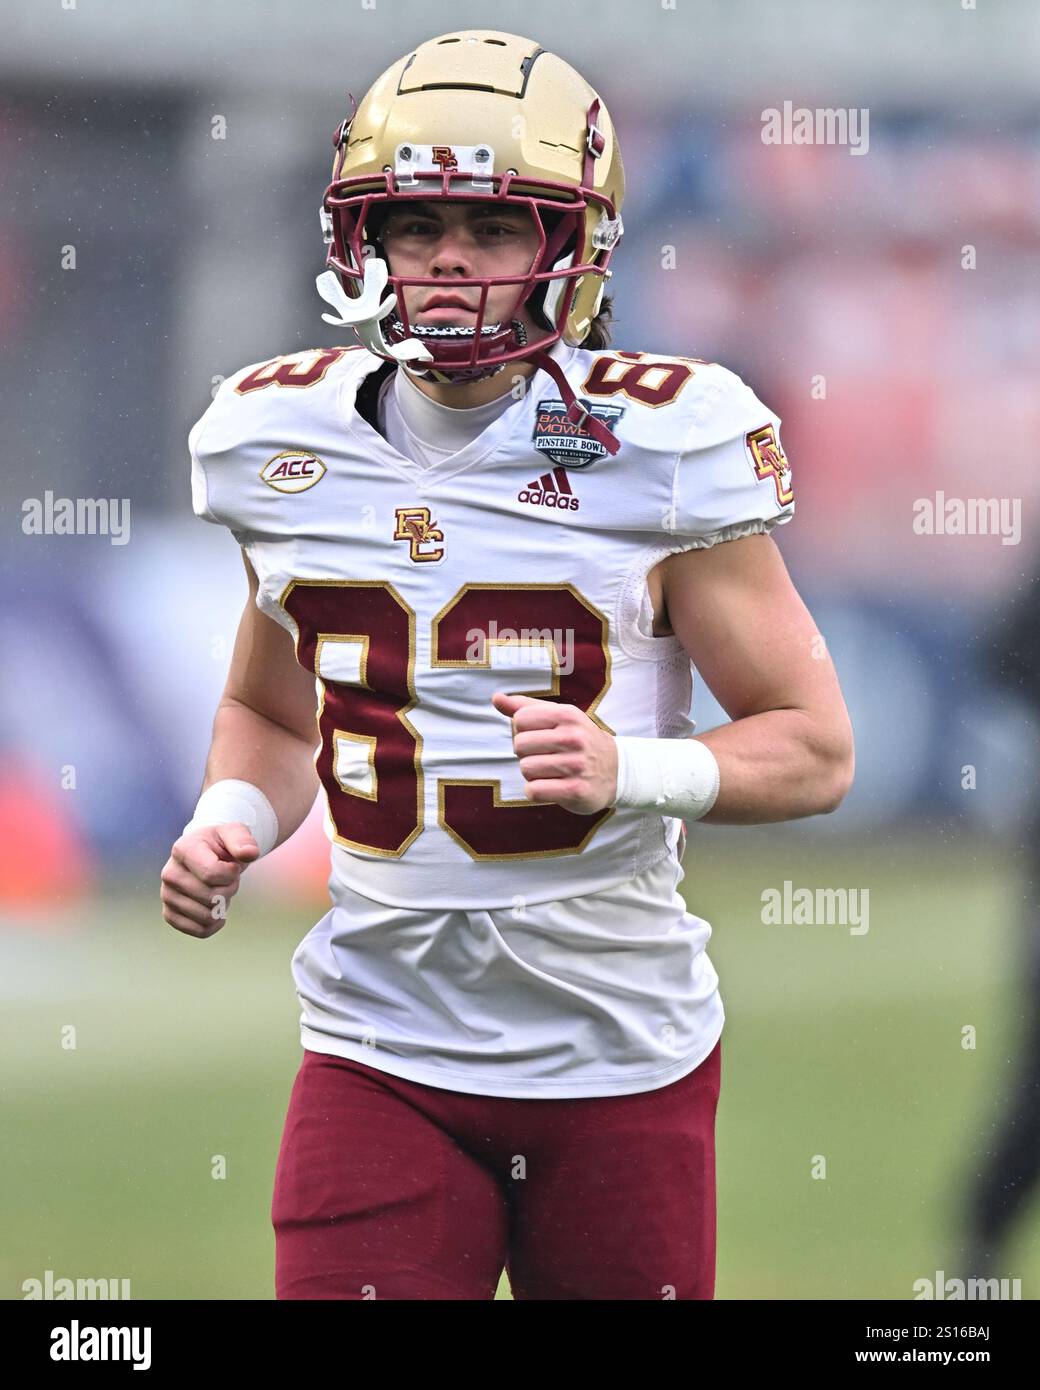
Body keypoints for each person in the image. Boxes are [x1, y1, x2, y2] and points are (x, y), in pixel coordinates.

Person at [161, 28, 854, 1300]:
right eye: (412, 220)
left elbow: (811, 747)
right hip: (376, 1044)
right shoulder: (274, 440)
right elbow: (269, 710)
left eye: (488, 227)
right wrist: (231, 816)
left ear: (570, 247)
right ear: (359, 238)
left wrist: (631, 768)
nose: (443, 260)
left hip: (617, 1054)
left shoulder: (664, 444)